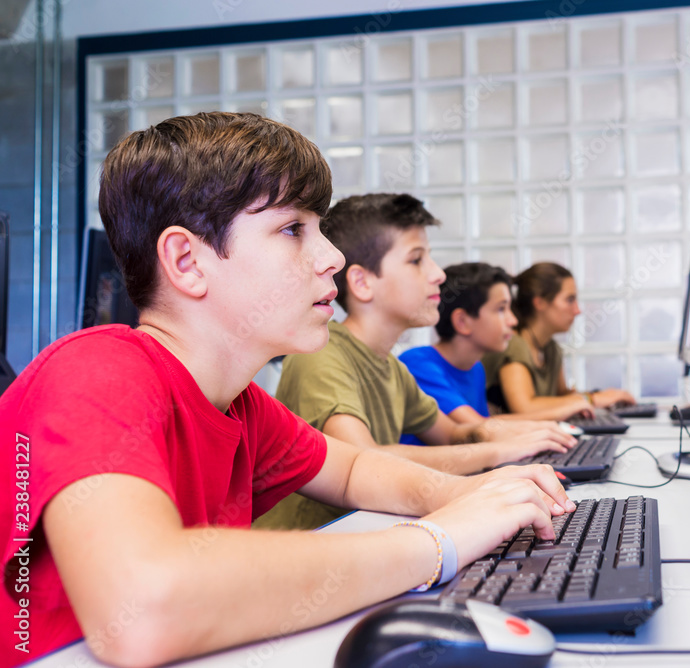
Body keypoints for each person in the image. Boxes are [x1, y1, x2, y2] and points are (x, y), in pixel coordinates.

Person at [0, 112, 574, 667]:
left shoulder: (241, 403)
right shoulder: (96, 371)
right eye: (293, 229)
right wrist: (437, 542)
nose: (331, 257)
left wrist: (479, 497)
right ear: (187, 261)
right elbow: (141, 605)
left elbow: (354, 472)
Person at [258, 195, 575, 531]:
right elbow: (365, 458)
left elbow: (454, 433)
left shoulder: (391, 367)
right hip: (313, 552)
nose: (438, 274)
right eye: (416, 260)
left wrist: (528, 434)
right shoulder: (322, 355)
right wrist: (497, 454)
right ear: (362, 283)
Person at [400, 262, 592, 430]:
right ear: (463, 322)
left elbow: (487, 425)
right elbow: (477, 428)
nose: (513, 320)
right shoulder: (418, 365)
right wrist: (561, 412)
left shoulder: (475, 369)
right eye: (501, 309)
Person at [483, 262, 637, 415]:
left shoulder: (551, 348)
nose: (577, 311)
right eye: (570, 300)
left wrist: (600, 397)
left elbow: (560, 396)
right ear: (540, 302)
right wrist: (593, 399)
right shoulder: (514, 344)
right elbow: (525, 407)